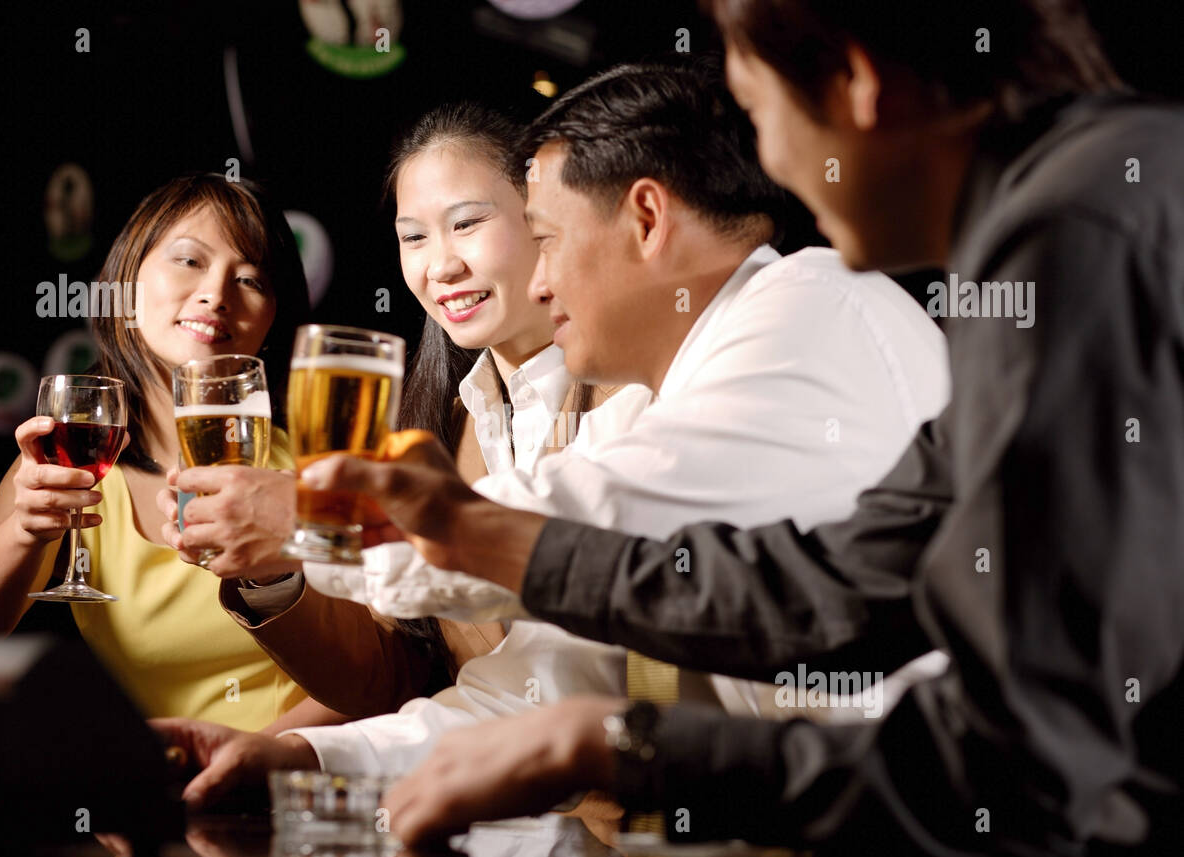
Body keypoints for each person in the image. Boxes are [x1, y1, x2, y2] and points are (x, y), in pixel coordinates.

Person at [302, 0, 1184, 857]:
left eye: (760, 115)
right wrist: (328, 745)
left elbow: (1018, 768)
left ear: (857, 83)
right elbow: (835, 586)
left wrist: (627, 750)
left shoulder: (1044, 239)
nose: (764, 165)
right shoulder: (1098, 192)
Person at [152, 60, 951, 813]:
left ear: (646, 218)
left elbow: (588, 521)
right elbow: (537, 683)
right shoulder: (660, 391)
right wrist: (299, 760)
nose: (536, 282)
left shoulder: (808, 309)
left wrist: (311, 522)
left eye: (546, 240)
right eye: (414, 237)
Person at [155, 103, 613, 718]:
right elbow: (394, 678)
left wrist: (311, 524)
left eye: (468, 223)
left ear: (544, 216)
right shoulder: (444, 428)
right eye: (414, 237)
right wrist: (275, 571)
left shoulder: (635, 392)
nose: (440, 265)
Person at [0, 173, 328, 733]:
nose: (216, 294)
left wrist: (249, 760)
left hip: (306, 777)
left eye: (251, 279)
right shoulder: (72, 463)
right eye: (189, 260)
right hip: (158, 795)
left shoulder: (316, 461)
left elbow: (386, 667)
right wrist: (26, 532)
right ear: (126, 281)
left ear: (272, 318)